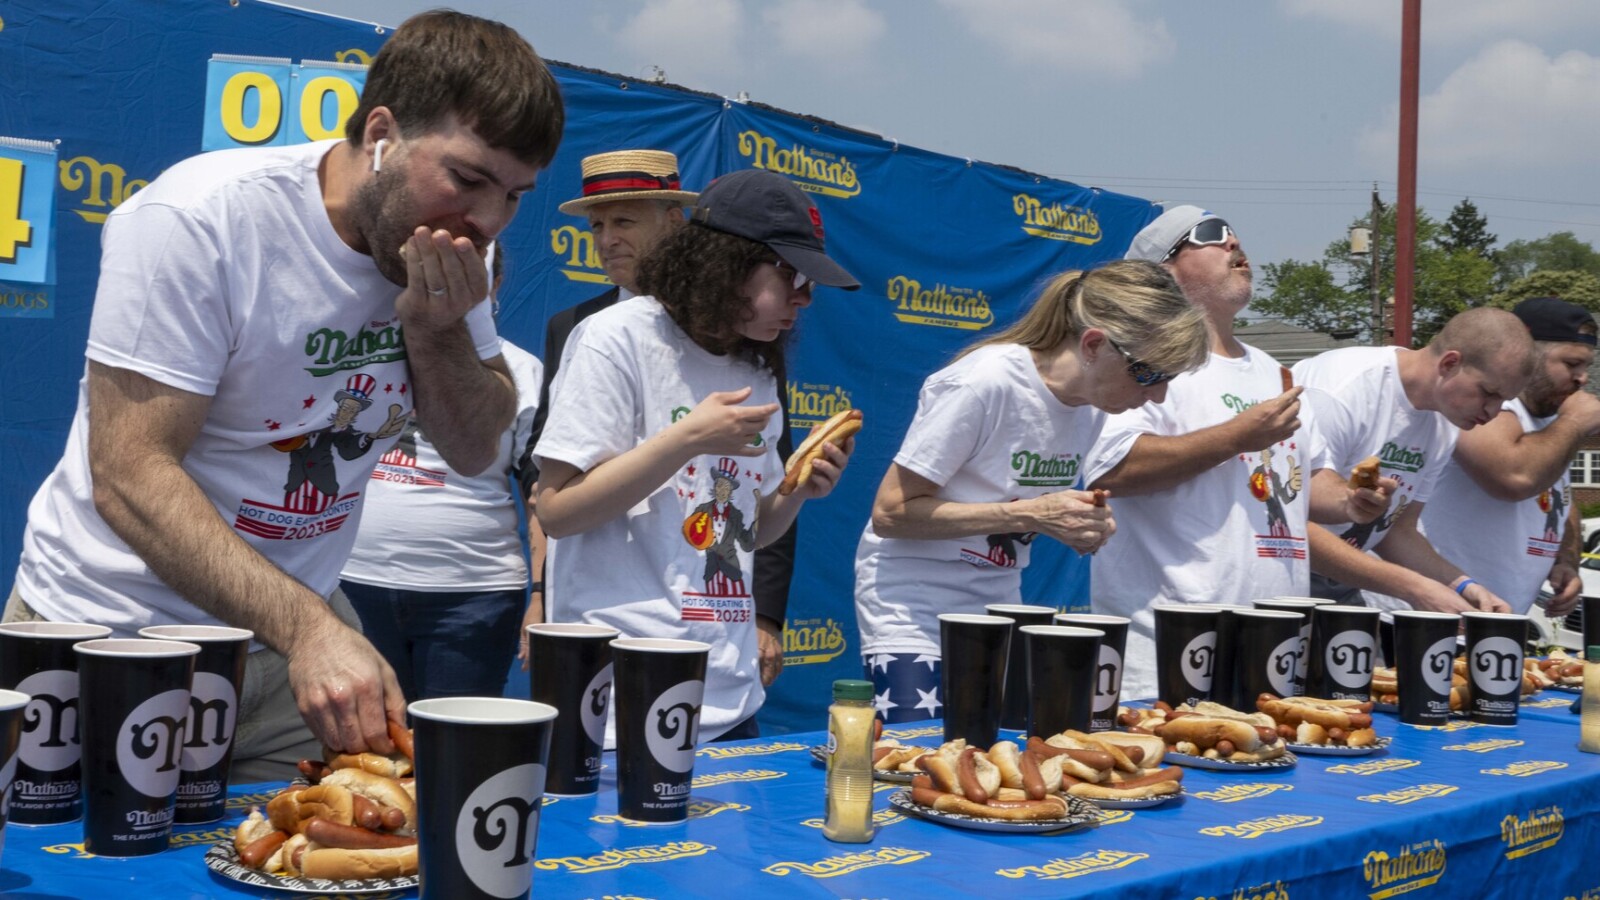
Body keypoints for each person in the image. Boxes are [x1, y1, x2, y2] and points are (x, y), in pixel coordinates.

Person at [6, 10, 564, 781]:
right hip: (108, 634)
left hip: (283, 653)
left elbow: (474, 448)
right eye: (467, 179)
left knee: (335, 854)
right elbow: (129, 475)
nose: (487, 220)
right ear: (382, 134)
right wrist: (309, 628)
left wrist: (437, 332)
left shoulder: (453, 244)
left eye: (515, 195)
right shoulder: (205, 219)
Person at [533, 169, 859, 743]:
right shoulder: (615, 338)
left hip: (728, 692)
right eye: (793, 277)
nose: (805, 300)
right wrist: (686, 439)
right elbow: (558, 510)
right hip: (622, 687)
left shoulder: (755, 366)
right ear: (728, 264)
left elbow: (745, 534)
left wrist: (797, 492)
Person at [856, 259, 1210, 723]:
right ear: (1094, 344)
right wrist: (1032, 515)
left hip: (999, 604)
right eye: (1148, 374)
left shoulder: (1092, 406)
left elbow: (1024, 510)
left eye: (1169, 378)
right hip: (912, 607)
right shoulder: (986, 382)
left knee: (1008, 763)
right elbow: (891, 512)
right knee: (925, 759)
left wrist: (1076, 526)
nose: (1159, 395)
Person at [516, 150, 801, 691]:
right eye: (598, 225)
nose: (605, 240)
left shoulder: (753, 349)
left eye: (623, 221)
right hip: (621, 660)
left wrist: (764, 609)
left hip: (722, 666)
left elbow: (751, 508)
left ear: (675, 222)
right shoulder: (594, 331)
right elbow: (551, 489)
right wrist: (540, 591)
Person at [1084, 207, 1383, 703]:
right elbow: (1111, 471)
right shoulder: (1141, 360)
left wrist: (1353, 502)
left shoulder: (1275, 371)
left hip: (1276, 648)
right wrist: (1235, 437)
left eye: (1232, 231)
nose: (1233, 241)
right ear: (1164, 269)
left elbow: (1309, 484)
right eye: (1208, 234)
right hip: (1168, 655)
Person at [339, 250, 545, 702]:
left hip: (473, 597)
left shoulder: (523, 371)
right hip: (351, 584)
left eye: (467, 278)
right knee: (361, 753)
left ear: (493, 286)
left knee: (455, 755)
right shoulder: (362, 355)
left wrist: (541, 594)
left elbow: (543, 496)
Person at [1294, 307, 1536, 619]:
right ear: (1450, 363)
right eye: (1488, 393)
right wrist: (1414, 587)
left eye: (1503, 401)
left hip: (1341, 576)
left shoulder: (1445, 421)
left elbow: (1397, 530)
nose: (1492, 412)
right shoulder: (1344, 387)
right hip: (1284, 574)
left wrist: (1464, 586)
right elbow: (1292, 519)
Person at [1416, 297, 1600, 617]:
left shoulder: (1551, 422)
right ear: (1529, 357)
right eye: (1572, 364)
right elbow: (1513, 479)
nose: (1582, 378)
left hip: (1499, 616)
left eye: (1587, 367)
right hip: (1433, 615)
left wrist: (1566, 560)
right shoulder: (1484, 407)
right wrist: (1573, 424)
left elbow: (1562, 499)